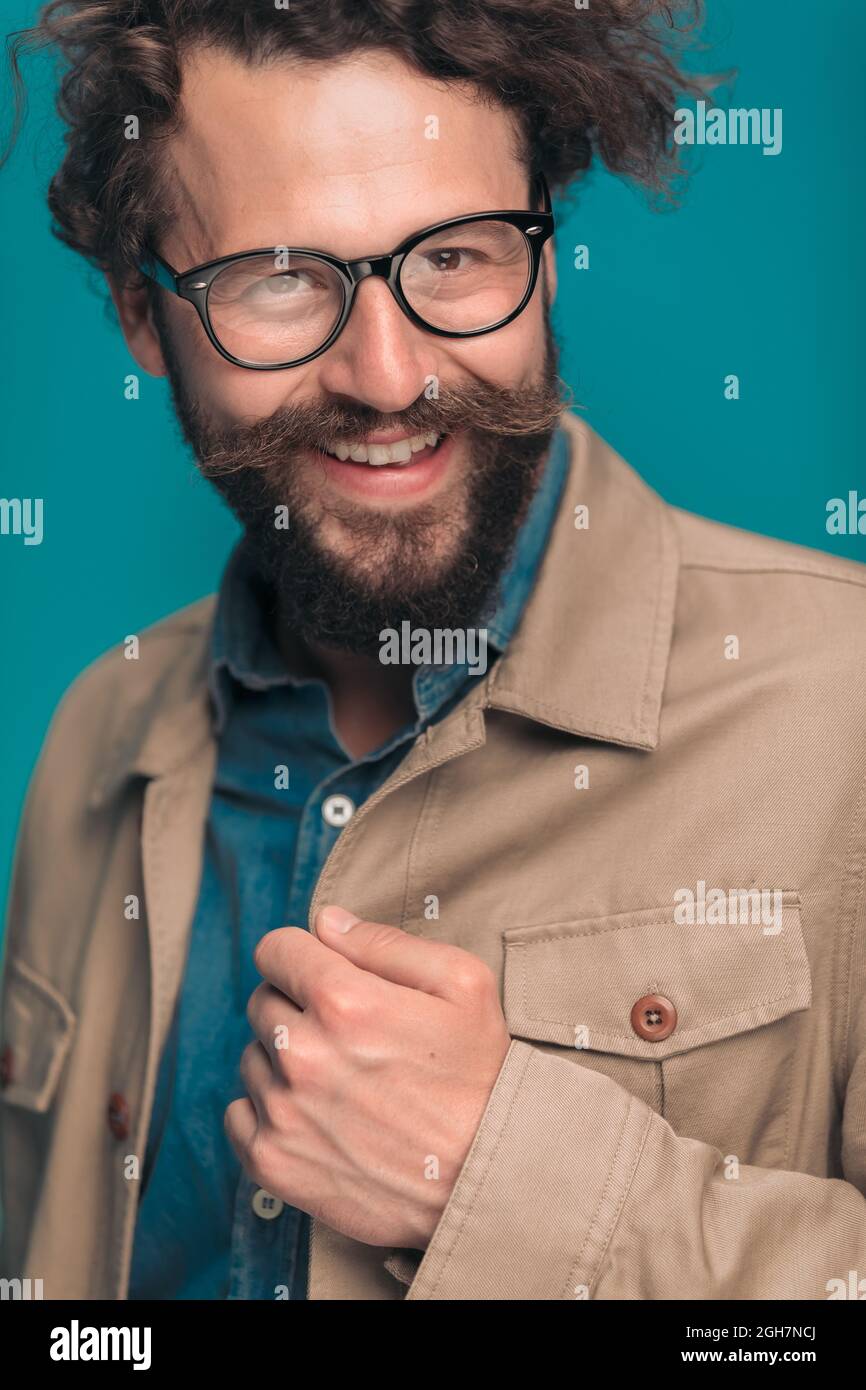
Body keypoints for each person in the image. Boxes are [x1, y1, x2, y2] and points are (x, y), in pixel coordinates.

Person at [2, 0, 865, 1302]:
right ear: (142, 312)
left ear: (548, 246)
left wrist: (501, 1180)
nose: (392, 375)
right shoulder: (95, 734)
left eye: (455, 256)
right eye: (283, 277)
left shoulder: (842, 708)